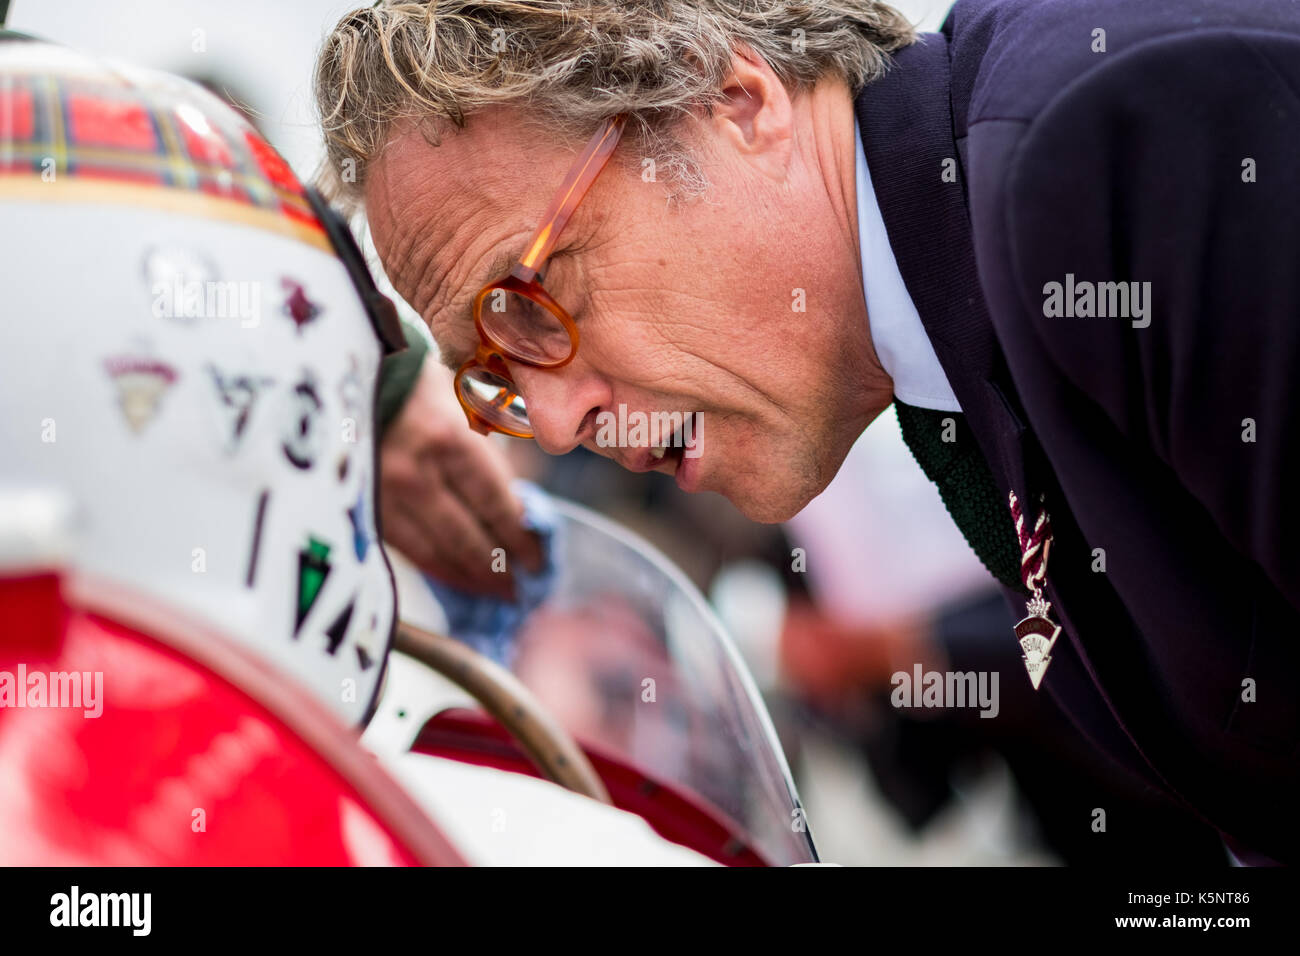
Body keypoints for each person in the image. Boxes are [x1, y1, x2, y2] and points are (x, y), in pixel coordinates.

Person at [312, 0, 1300, 863]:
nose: (561, 422)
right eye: (495, 375)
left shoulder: (1101, 139)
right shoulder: (985, 244)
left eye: (529, 298)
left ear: (737, 102)